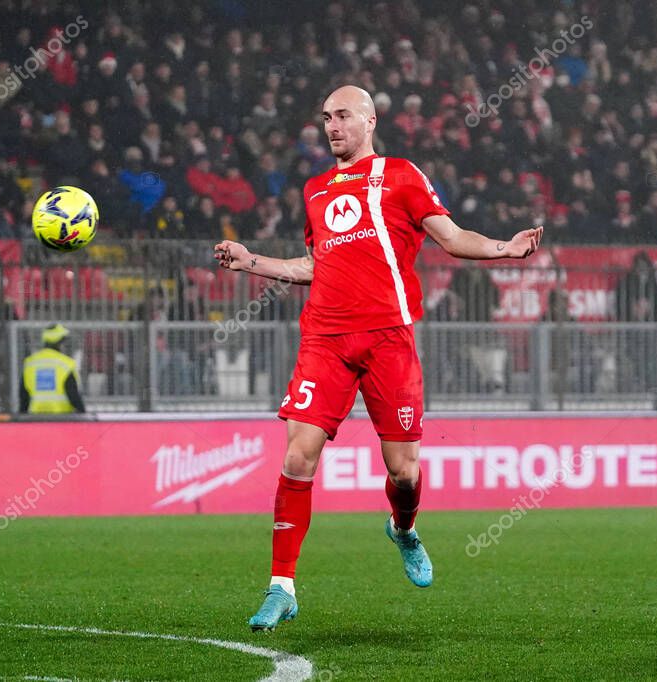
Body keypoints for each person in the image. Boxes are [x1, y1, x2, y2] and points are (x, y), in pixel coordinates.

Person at [213, 86, 543, 631]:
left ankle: (403, 529)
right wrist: (254, 262)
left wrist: (504, 249)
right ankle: (281, 586)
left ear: (369, 119)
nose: (332, 125)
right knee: (298, 456)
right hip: (326, 339)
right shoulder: (315, 190)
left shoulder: (401, 175)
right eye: (325, 118)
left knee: (405, 473)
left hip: (390, 338)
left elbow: (453, 237)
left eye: (342, 115)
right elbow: (317, 265)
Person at [19, 324, 85, 415]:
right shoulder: (66, 364)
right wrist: (83, 413)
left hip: (36, 417)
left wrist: (22, 417)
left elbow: (24, 395)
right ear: (60, 343)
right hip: (62, 418)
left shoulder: (30, 363)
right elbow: (73, 394)